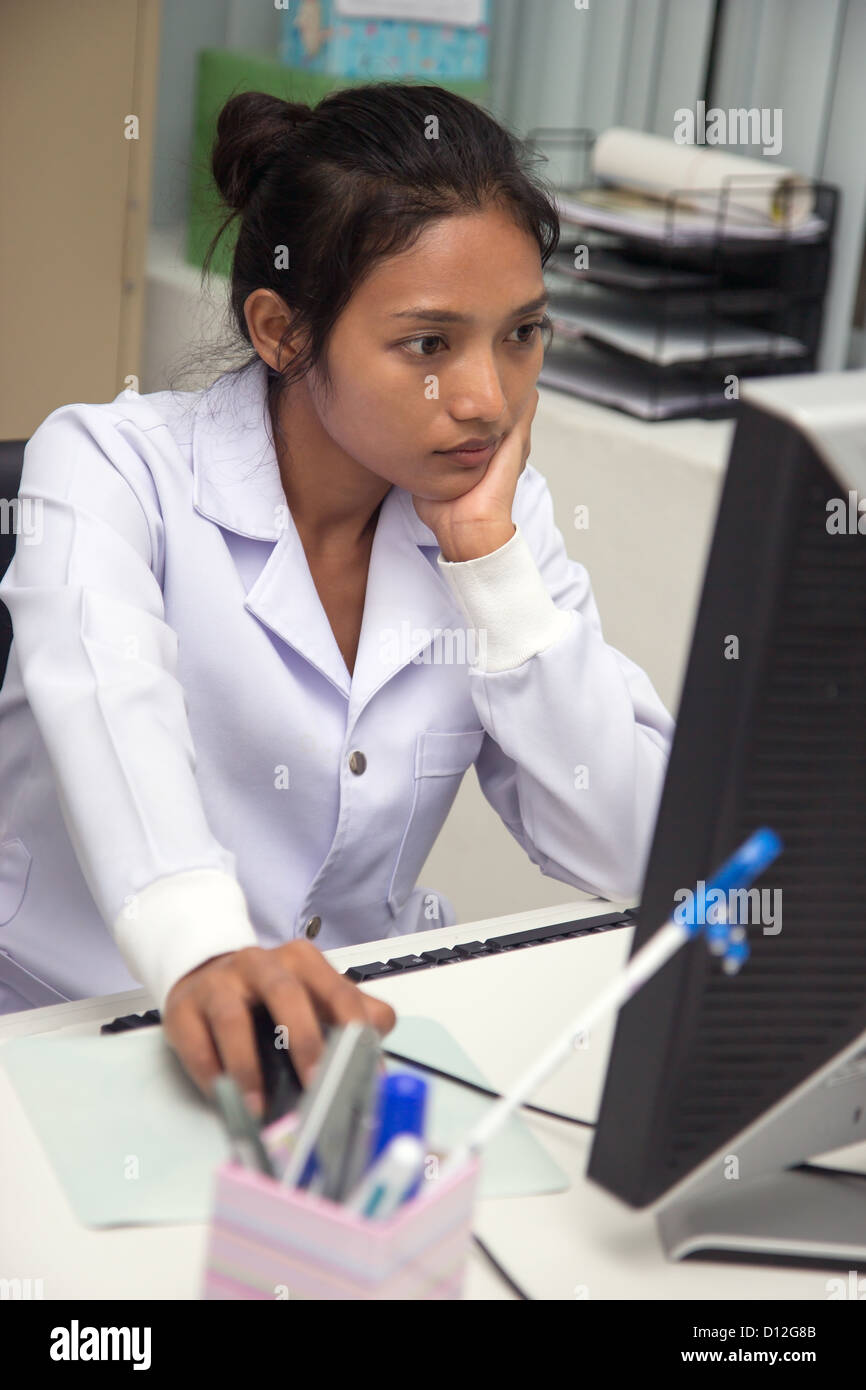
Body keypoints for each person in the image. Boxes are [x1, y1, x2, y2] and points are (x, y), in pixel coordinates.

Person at [0, 83, 674, 1116]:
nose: (488, 399)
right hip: (76, 1034)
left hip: (349, 1047)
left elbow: (642, 852)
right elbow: (114, 714)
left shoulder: (487, 510)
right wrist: (204, 954)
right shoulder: (105, 469)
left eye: (519, 334)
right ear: (280, 331)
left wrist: (486, 569)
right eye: (427, 345)